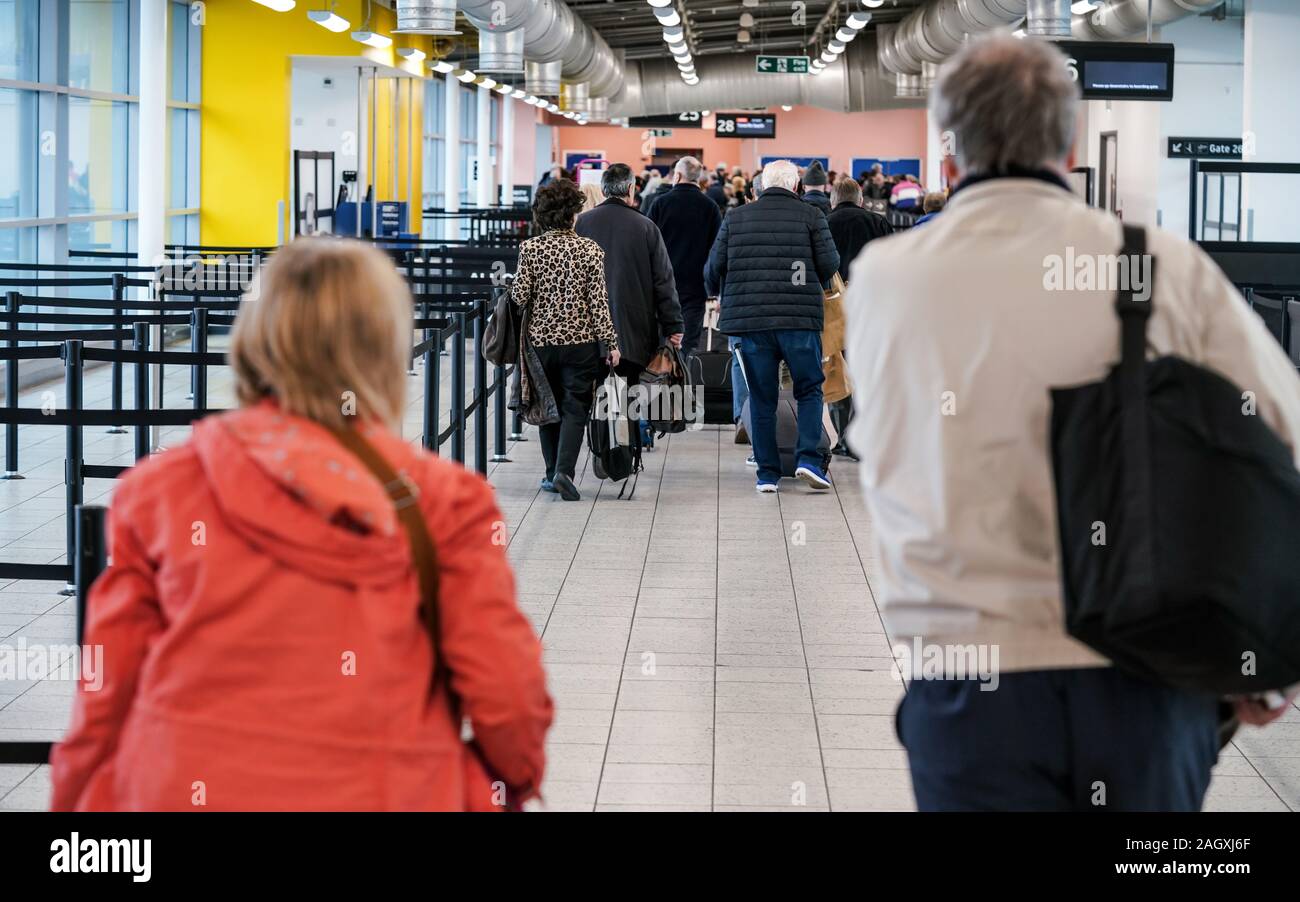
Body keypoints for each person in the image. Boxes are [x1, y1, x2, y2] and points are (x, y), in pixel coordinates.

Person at [843, 34, 1300, 813]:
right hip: (1147, 670)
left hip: (964, 674)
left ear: (948, 154)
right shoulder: (1158, 265)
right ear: (1072, 142)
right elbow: (1279, 441)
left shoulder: (884, 277)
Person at [49, 238, 553, 811]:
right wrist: (510, 780)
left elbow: (104, 692)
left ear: (254, 342)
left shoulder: (160, 492)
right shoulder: (446, 502)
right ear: (385, 350)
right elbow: (508, 698)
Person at [705, 158, 840, 494]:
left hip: (750, 322)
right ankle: (808, 460)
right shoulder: (812, 216)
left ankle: (767, 474)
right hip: (799, 320)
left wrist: (719, 292)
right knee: (809, 389)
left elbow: (713, 267)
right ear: (796, 186)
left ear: (762, 185)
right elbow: (829, 265)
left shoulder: (735, 218)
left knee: (762, 396)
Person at [513, 178, 620, 502]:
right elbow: (599, 302)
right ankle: (564, 471)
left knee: (548, 405)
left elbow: (519, 297)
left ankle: (550, 475)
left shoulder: (530, 249)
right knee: (576, 407)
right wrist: (611, 344)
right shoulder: (590, 250)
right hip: (581, 343)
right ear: (573, 214)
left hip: (541, 343)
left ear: (542, 216)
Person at [575, 162, 684, 379]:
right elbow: (663, 280)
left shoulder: (582, 224)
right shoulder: (646, 227)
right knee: (635, 394)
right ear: (631, 189)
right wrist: (673, 324)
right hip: (635, 331)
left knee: (590, 393)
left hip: (588, 332)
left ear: (603, 190)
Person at [824, 176, 892, 461]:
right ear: (861, 198)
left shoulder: (824, 223)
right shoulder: (878, 223)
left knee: (836, 369)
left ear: (834, 199)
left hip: (833, 307)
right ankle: (862, 434)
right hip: (869, 306)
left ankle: (841, 437)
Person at [649, 155, 723, 357]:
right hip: (695, 286)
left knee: (659, 341)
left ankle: (657, 384)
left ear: (678, 175)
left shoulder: (660, 204)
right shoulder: (710, 207)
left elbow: (648, 245)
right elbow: (716, 250)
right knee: (687, 344)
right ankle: (683, 383)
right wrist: (715, 289)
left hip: (662, 284)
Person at [826, 176, 892, 282]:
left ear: (832, 200)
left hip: (833, 290)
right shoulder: (879, 221)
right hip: (870, 286)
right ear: (861, 200)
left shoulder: (824, 222)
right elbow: (890, 257)